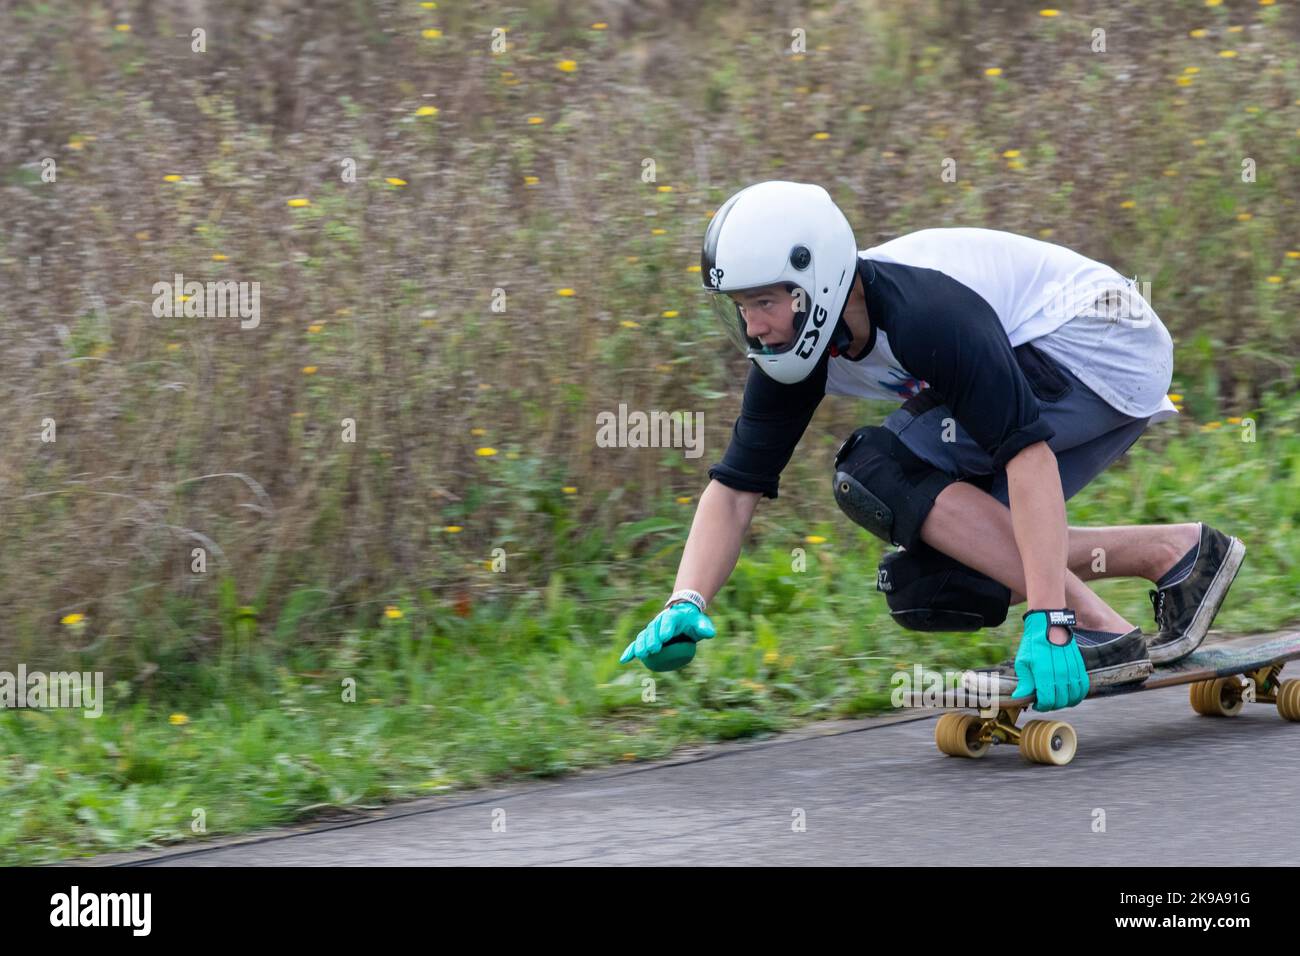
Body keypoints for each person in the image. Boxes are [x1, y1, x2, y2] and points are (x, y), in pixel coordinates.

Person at [619, 180, 1246, 711]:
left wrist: (1049, 619)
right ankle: (1178, 553)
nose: (754, 328)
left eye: (764, 303)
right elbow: (735, 489)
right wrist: (685, 599)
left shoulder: (927, 313)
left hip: (1095, 340)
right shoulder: (794, 350)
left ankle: (1094, 631)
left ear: (818, 285)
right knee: (933, 581)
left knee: (875, 469)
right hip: (1071, 374)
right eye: (739, 308)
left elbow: (1025, 457)